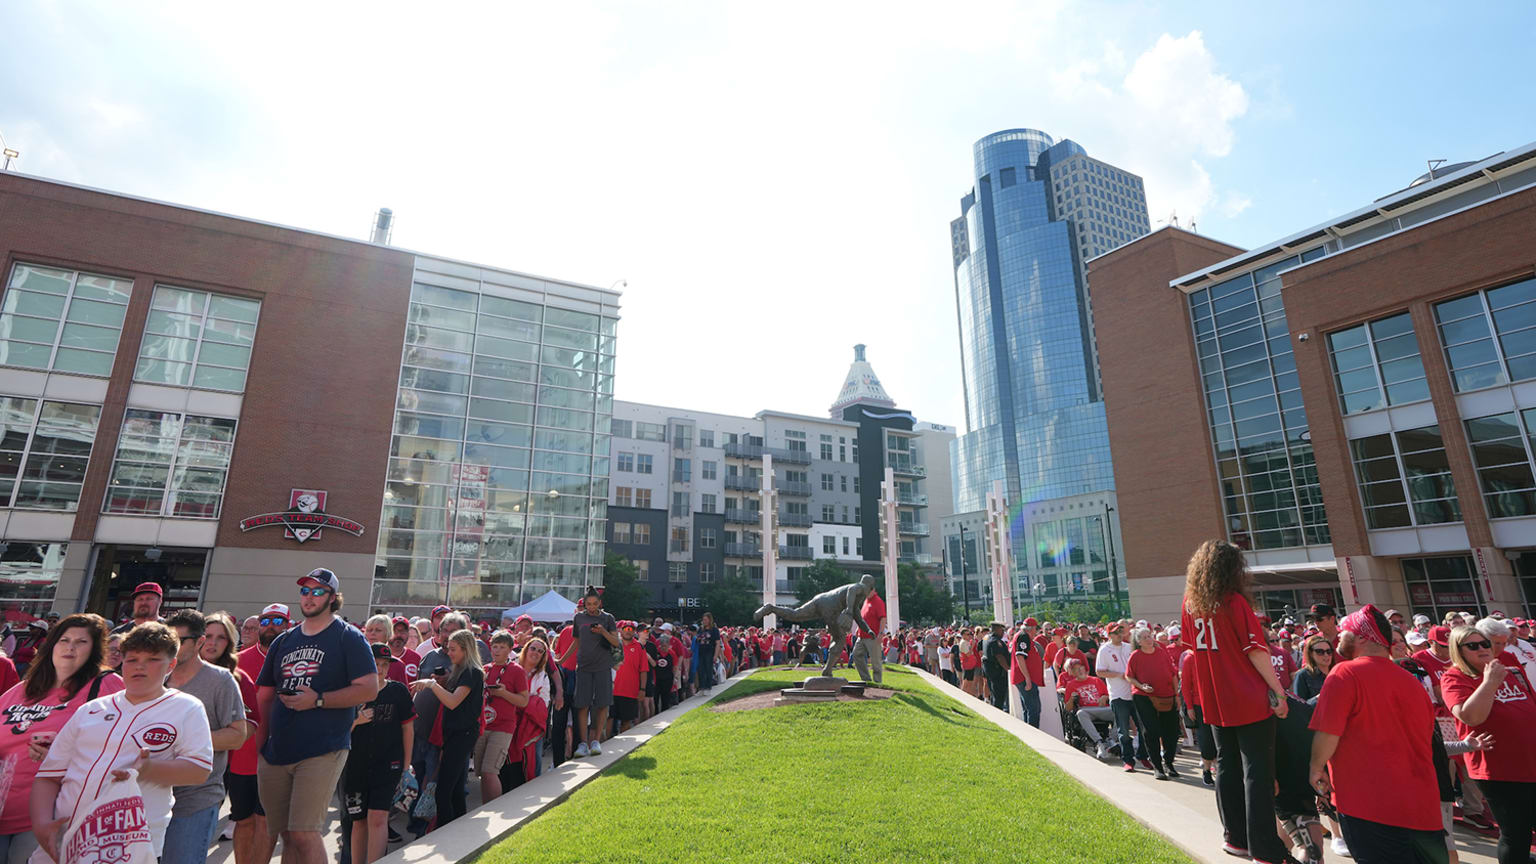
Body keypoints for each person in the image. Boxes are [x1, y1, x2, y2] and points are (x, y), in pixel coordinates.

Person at [31, 622, 213, 862]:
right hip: (61, 839)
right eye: (132, 659)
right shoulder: (91, 709)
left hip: (125, 846)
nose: (140, 666)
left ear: (171, 665)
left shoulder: (186, 707)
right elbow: (48, 775)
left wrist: (149, 769)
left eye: (152, 659)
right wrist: (42, 824)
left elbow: (199, 770)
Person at [254, 569, 379, 864]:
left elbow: (369, 689)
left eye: (318, 591)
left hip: (323, 748)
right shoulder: (283, 641)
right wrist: (260, 748)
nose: (309, 597)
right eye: (305, 591)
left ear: (332, 598)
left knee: (304, 832)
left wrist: (319, 700)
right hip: (278, 751)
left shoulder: (348, 637)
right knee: (286, 834)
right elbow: (266, 697)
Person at [1180, 540, 1291, 864]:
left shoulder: (1190, 603)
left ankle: (1235, 839)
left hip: (1214, 697)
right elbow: (1256, 651)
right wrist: (1279, 692)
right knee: (1257, 771)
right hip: (1247, 696)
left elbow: (1192, 650)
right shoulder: (1234, 601)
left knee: (1226, 766)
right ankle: (1265, 850)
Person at [1309, 605, 1445, 864]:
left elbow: (1327, 732)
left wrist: (1315, 768)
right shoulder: (1411, 681)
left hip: (1368, 807)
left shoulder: (1344, 672)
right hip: (1423, 808)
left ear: (1362, 637)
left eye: (1344, 631)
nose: (1339, 635)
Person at [0, 613, 121, 864]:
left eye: (81, 642)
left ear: (95, 650)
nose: (70, 647)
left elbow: (123, 745)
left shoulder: (106, 686)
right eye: (64, 640)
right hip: (3, 810)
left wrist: (64, 756)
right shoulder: (24, 688)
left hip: (50, 815)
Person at [1441, 624, 1536, 864]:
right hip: (1499, 769)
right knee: (1517, 834)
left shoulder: (1511, 671)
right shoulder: (1454, 677)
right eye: (1473, 646)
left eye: (1485, 643)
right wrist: (1490, 681)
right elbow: (1471, 716)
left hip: (1530, 759)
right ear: (1458, 650)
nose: (1482, 649)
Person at [161, 609, 249, 864]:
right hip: (153, 795)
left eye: (180, 641)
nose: (172, 647)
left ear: (199, 642)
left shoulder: (221, 680)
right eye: (168, 640)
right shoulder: (158, 677)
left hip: (196, 800)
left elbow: (237, 736)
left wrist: (183, 739)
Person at [345, 643, 413, 864]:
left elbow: (408, 728)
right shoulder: (351, 692)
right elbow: (336, 732)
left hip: (389, 764)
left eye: (385, 664)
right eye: (376, 664)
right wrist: (357, 720)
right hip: (356, 764)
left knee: (378, 816)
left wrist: (406, 767)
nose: (381, 668)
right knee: (359, 821)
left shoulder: (398, 691)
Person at [231, 604, 287, 864]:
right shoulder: (238, 661)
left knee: (266, 821)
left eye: (278, 621)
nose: (271, 626)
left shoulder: (294, 661)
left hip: (277, 755)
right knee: (243, 821)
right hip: (244, 754)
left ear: (288, 625)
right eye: (266, 621)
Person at [410, 628, 482, 827]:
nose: (449, 653)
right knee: (456, 789)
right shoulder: (460, 671)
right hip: (453, 734)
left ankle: (445, 831)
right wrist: (442, 683)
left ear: (465, 650)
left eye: (453, 649)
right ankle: (459, 829)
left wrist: (432, 684)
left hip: (462, 735)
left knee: (443, 791)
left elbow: (452, 702)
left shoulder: (471, 672)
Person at [476, 630, 529, 802]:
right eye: (494, 646)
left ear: (510, 650)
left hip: (503, 727)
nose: (497, 650)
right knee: (482, 772)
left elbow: (524, 701)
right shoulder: (485, 669)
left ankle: (494, 807)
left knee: (490, 770)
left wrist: (503, 694)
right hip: (484, 725)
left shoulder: (517, 670)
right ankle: (486, 806)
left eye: (502, 647)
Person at [569, 588, 620, 757]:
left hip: (603, 666)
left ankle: (596, 740)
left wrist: (603, 631)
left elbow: (616, 642)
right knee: (582, 704)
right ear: (584, 604)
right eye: (588, 604)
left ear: (600, 603)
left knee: (602, 703)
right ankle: (583, 743)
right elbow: (576, 641)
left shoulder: (608, 618)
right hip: (584, 666)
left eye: (594, 604)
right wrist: (562, 659)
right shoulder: (578, 618)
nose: (591, 607)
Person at [1125, 626, 1180, 779]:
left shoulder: (1162, 652)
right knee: (1151, 731)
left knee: (1172, 731)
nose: (1149, 639)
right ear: (1139, 642)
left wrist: (1177, 695)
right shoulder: (1135, 656)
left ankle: (1169, 763)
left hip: (1167, 695)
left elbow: (1173, 674)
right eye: (1145, 637)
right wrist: (1141, 686)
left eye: (1149, 636)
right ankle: (1157, 766)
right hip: (1144, 696)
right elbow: (1129, 676)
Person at [1096, 621, 1149, 773]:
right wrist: (1119, 675)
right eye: (1115, 632)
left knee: (1143, 727)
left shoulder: (1129, 647)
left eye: (1120, 631)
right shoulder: (1104, 650)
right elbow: (1099, 671)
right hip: (1118, 695)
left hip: (1135, 692)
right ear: (1109, 635)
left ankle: (1143, 755)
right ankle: (1128, 760)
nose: (1119, 635)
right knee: (1124, 730)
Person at [1059, 657, 1114, 759]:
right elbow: (1067, 709)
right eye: (1076, 669)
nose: (1080, 670)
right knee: (1080, 713)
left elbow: (1109, 695)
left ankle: (1112, 740)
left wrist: (1105, 697)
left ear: (1085, 669)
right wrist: (1071, 699)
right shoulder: (1071, 685)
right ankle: (1099, 743)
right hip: (1087, 712)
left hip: (1102, 709)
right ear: (1072, 672)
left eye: (1081, 667)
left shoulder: (1096, 680)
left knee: (1120, 710)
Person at [611, 621, 650, 734]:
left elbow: (643, 670)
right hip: (612, 690)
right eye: (626, 629)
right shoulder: (613, 645)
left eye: (631, 629)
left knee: (626, 721)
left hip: (630, 691)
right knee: (609, 719)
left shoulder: (639, 647)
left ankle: (621, 741)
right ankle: (608, 742)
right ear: (620, 630)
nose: (628, 632)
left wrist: (642, 689)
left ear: (634, 632)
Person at [1010, 619, 1042, 727]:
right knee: (1034, 709)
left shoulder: (1021, 635)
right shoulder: (1024, 636)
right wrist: (1027, 678)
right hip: (1024, 678)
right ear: (1032, 629)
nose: (1036, 632)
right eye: (1035, 629)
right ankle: (1033, 734)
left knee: (1029, 709)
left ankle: (1028, 732)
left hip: (1023, 677)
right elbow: (1020, 657)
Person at [851, 587, 886, 684]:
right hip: (862, 636)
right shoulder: (866, 600)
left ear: (873, 590)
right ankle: (866, 678)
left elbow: (883, 618)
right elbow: (863, 617)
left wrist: (881, 633)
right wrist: (858, 628)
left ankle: (877, 682)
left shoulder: (878, 601)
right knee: (856, 654)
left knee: (875, 661)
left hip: (873, 636)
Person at [1292, 635, 1332, 704]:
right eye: (1320, 652)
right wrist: (1318, 698)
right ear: (1311, 654)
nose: (1326, 655)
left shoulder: (1337, 672)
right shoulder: (1302, 675)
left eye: (1329, 651)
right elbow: (1299, 706)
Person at [981, 622, 1010, 711]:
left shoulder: (986, 638)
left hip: (991, 672)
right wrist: (1008, 670)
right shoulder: (995, 641)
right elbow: (999, 657)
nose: (1003, 633)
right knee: (998, 697)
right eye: (1002, 630)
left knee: (994, 695)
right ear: (997, 629)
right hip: (997, 673)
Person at [694, 612, 721, 691]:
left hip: (709, 651)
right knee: (701, 670)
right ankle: (702, 687)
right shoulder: (700, 629)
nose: (704, 621)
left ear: (709, 620)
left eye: (705, 619)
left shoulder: (714, 630)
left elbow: (717, 643)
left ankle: (708, 687)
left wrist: (716, 655)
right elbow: (697, 639)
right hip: (701, 652)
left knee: (708, 669)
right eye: (703, 620)